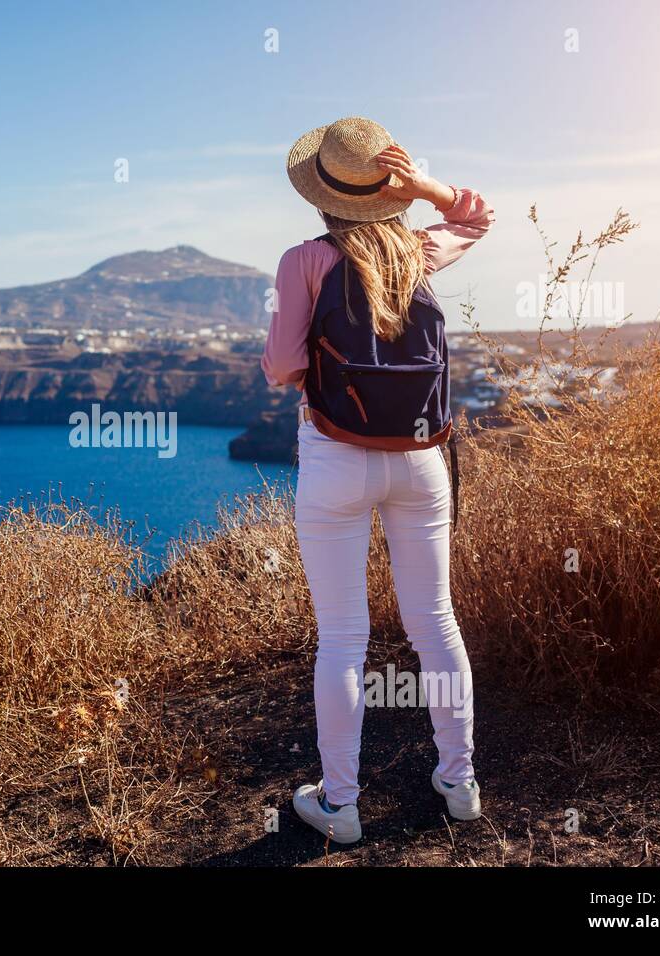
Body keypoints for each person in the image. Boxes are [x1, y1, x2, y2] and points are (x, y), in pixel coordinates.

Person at [261, 116, 495, 843]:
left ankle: (340, 805)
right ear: (386, 192)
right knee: (436, 623)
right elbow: (477, 215)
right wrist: (424, 185)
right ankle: (459, 783)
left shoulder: (306, 260)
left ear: (322, 196)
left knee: (343, 638)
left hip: (335, 457)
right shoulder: (418, 251)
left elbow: (282, 368)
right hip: (421, 462)